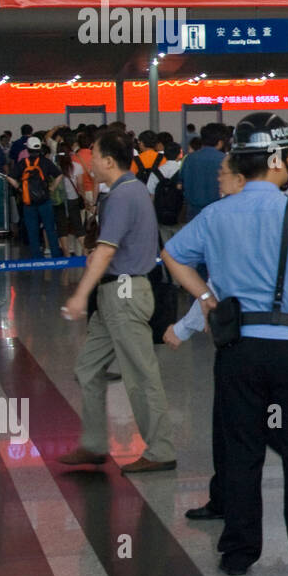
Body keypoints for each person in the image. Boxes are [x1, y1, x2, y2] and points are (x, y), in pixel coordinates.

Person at [162, 112, 288, 576]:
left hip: (237, 351)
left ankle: (238, 553)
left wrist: (206, 297)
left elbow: (171, 254)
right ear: (274, 161)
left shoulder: (215, 215)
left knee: (240, 451)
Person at [57, 129, 178, 472]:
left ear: (109, 161)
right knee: (88, 368)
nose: (89, 160)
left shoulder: (125, 195)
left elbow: (108, 252)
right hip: (114, 295)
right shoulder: (129, 190)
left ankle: (161, 450)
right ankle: (94, 444)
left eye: (93, 155)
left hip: (125, 294)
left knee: (140, 374)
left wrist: (80, 295)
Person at [4, 136, 63, 258]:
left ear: (28, 149)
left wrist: (19, 188)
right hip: (45, 200)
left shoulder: (22, 163)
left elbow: (9, 177)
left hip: (28, 201)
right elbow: (59, 175)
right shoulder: (46, 162)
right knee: (50, 228)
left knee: (32, 230)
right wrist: (52, 187)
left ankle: (36, 256)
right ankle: (56, 255)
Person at [178, 123, 226, 220]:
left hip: (193, 212)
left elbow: (180, 183)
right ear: (220, 142)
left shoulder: (189, 159)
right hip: (218, 213)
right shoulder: (225, 160)